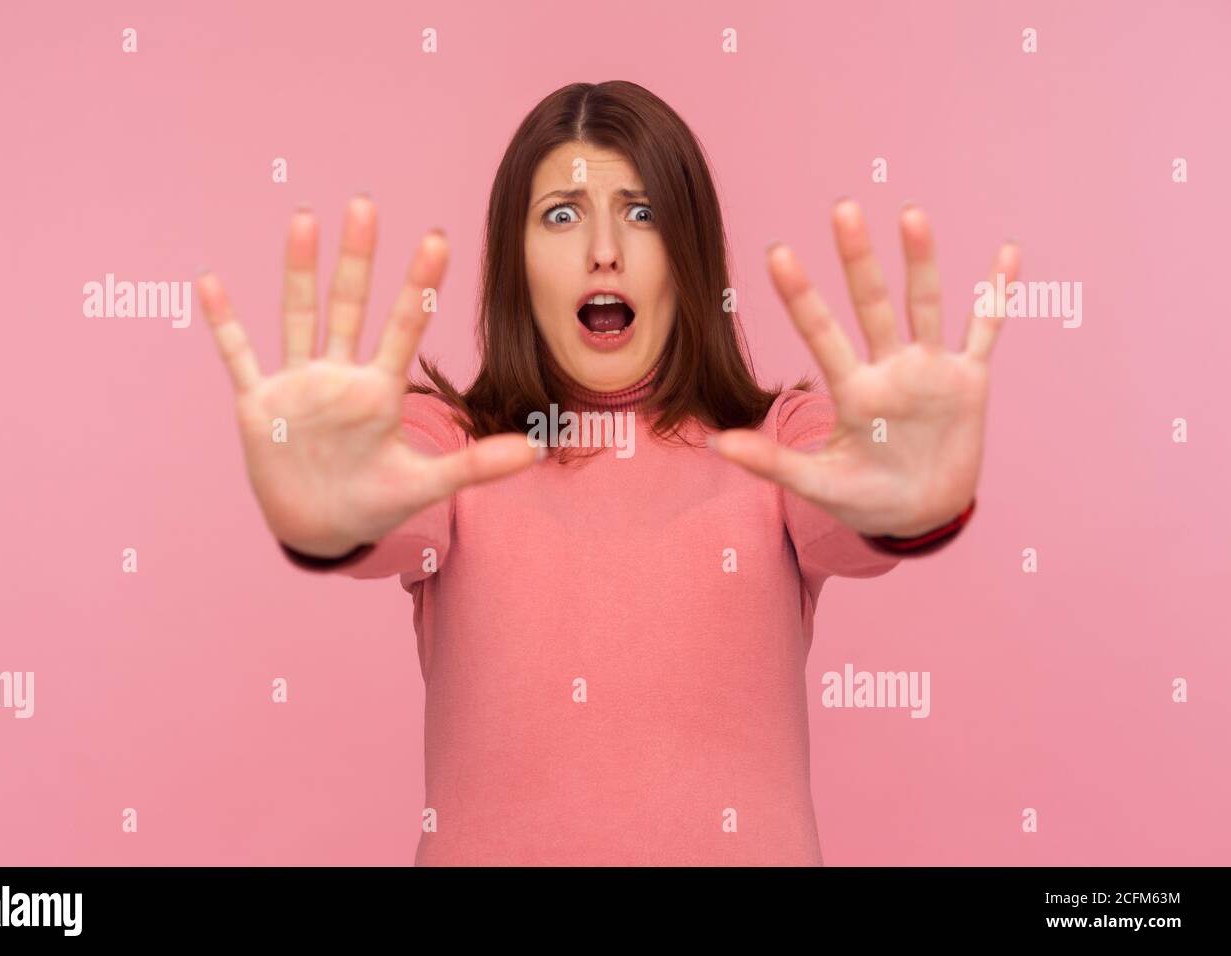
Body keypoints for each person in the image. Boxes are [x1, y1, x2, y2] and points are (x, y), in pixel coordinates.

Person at [196, 80, 1017, 865]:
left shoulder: (774, 440)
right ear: (516, 262)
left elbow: (850, 505)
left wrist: (906, 494)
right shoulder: (453, 445)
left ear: (689, 253)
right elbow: (387, 507)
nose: (603, 252)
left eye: (643, 213)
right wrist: (333, 511)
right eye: (561, 215)